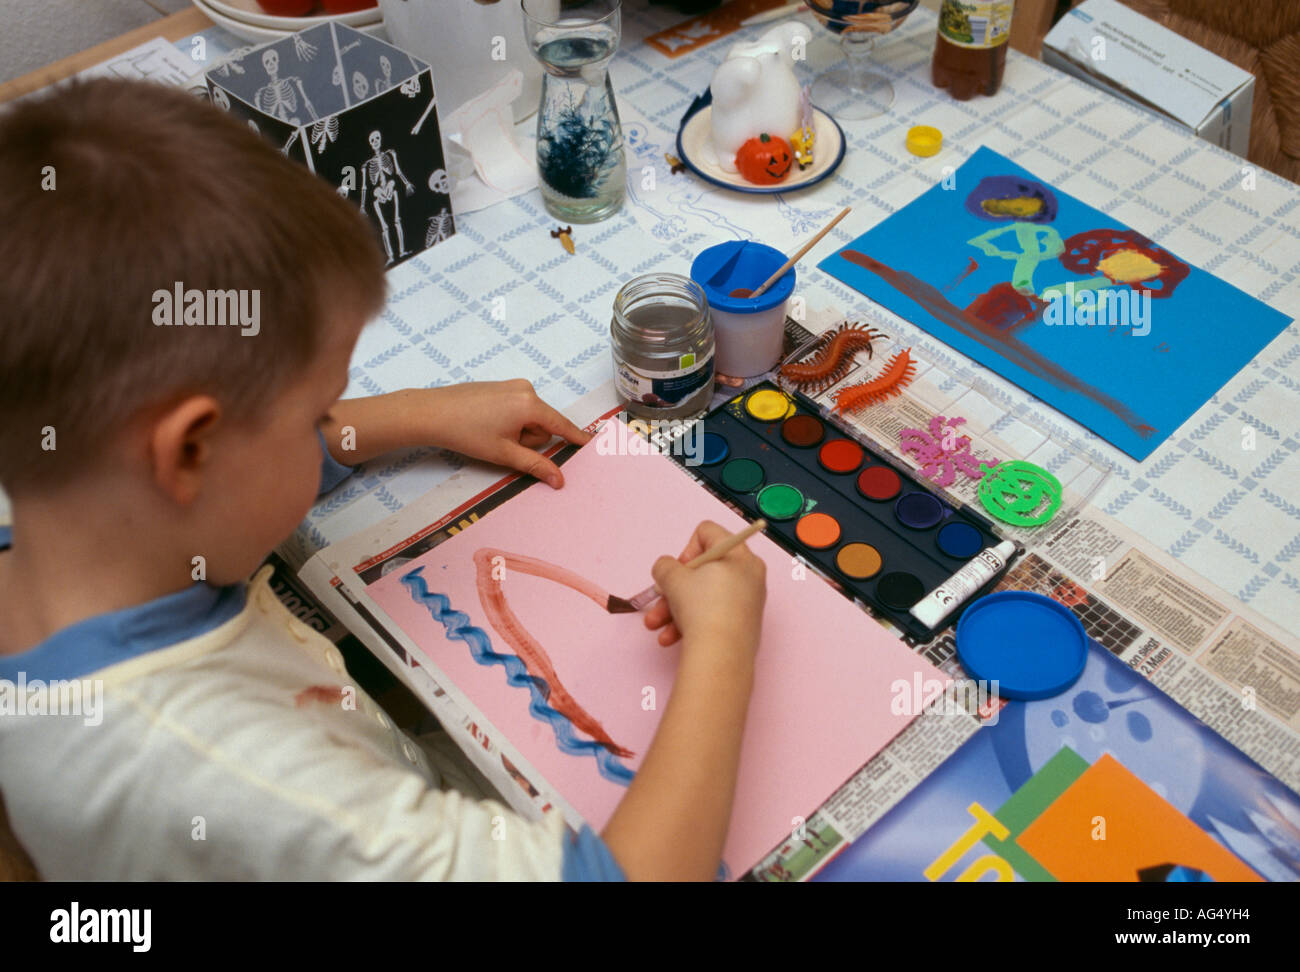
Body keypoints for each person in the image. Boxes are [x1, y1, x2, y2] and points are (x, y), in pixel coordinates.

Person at [0, 79, 766, 881]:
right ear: (189, 453)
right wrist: (725, 648)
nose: (333, 425)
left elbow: (217, 460)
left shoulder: (59, 496)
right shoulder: (242, 781)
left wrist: (408, 414)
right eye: (317, 413)